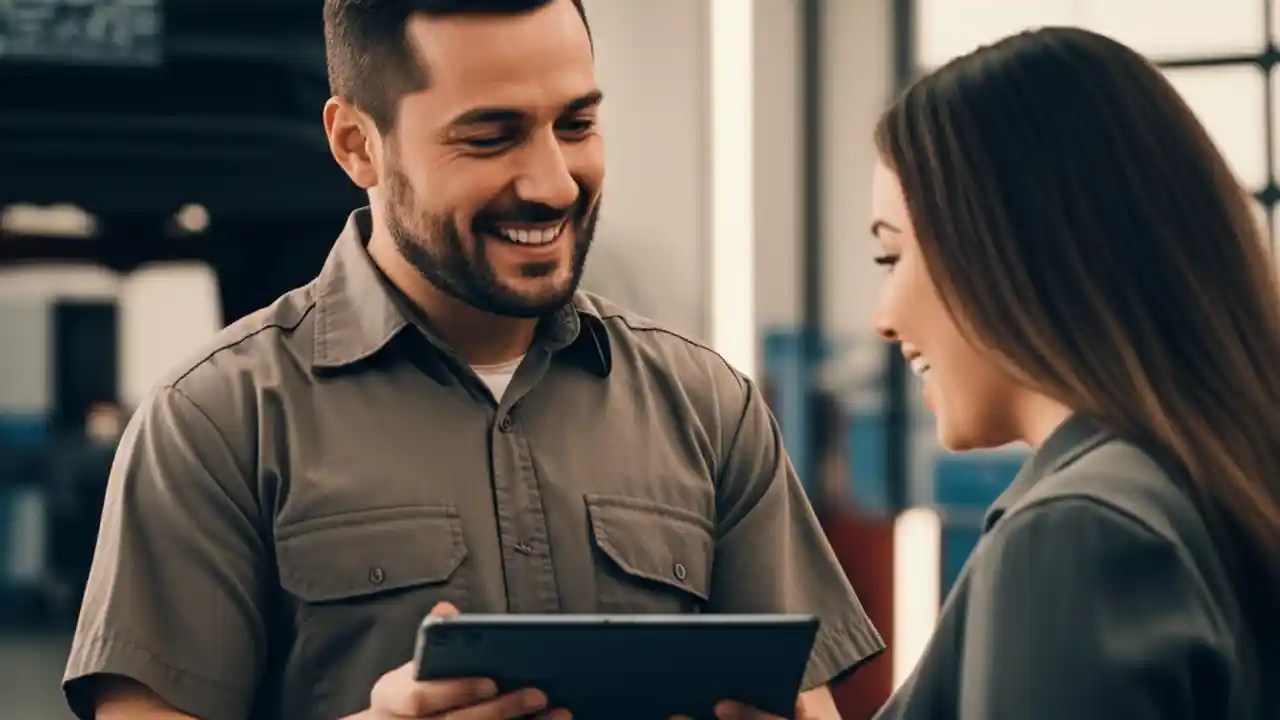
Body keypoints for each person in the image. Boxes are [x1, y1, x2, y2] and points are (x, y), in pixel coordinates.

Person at [62, 1, 884, 719]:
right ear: (357, 145)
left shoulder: (709, 408)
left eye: (577, 124)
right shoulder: (216, 423)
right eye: (491, 137)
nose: (554, 183)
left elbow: (805, 703)